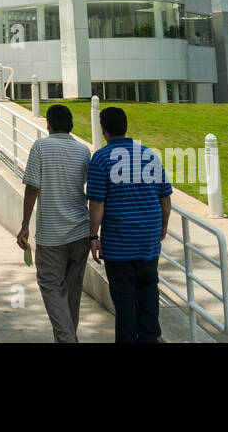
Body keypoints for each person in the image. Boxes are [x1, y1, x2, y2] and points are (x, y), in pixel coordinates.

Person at [87, 106, 171, 343]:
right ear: (125, 127)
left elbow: (97, 203)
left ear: (104, 130)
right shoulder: (149, 155)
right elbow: (165, 196)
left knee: (124, 305)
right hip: (148, 242)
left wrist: (93, 237)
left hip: (119, 245)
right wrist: (163, 225)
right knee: (148, 295)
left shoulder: (102, 158)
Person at [16, 103, 92, 343]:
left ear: (48, 123)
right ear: (70, 124)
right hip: (80, 231)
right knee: (71, 292)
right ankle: (68, 336)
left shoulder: (40, 146)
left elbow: (31, 188)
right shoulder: (83, 151)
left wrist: (25, 223)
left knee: (50, 287)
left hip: (51, 234)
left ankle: (68, 338)